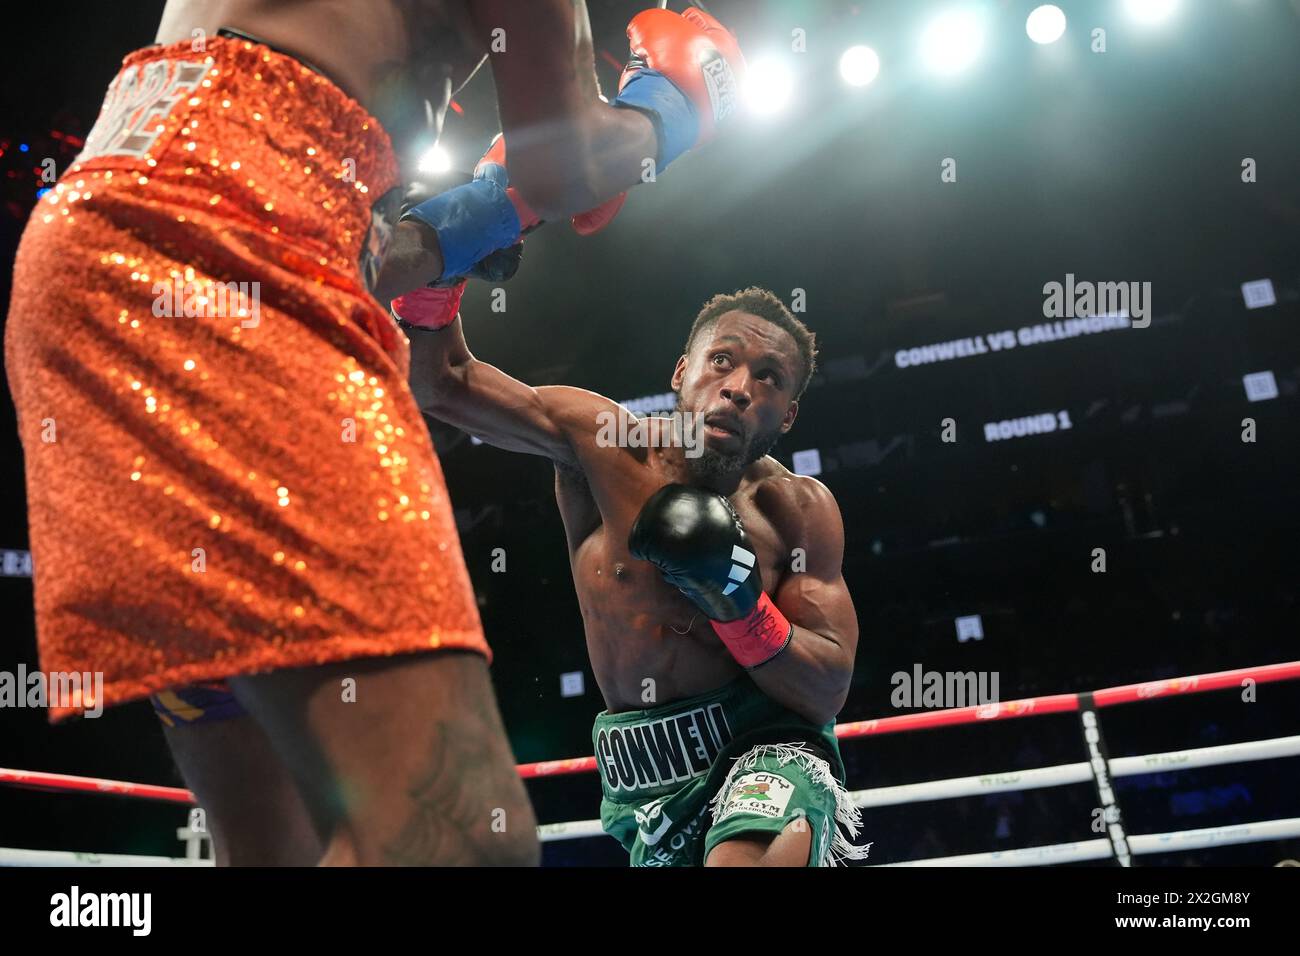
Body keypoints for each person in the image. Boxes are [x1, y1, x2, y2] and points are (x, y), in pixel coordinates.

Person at [4, 0, 744, 865]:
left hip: (91, 259)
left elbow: (323, 214)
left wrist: (481, 216)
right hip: (233, 258)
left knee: (286, 848)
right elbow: (568, 164)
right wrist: (673, 109)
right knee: (459, 839)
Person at [400, 284, 868, 866]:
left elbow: (825, 691)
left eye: (770, 377)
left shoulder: (798, 509)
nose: (739, 388)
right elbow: (439, 381)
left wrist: (739, 605)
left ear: (790, 414)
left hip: (765, 745)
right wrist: (437, 275)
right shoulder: (603, 444)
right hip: (644, 774)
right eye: (722, 360)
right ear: (682, 371)